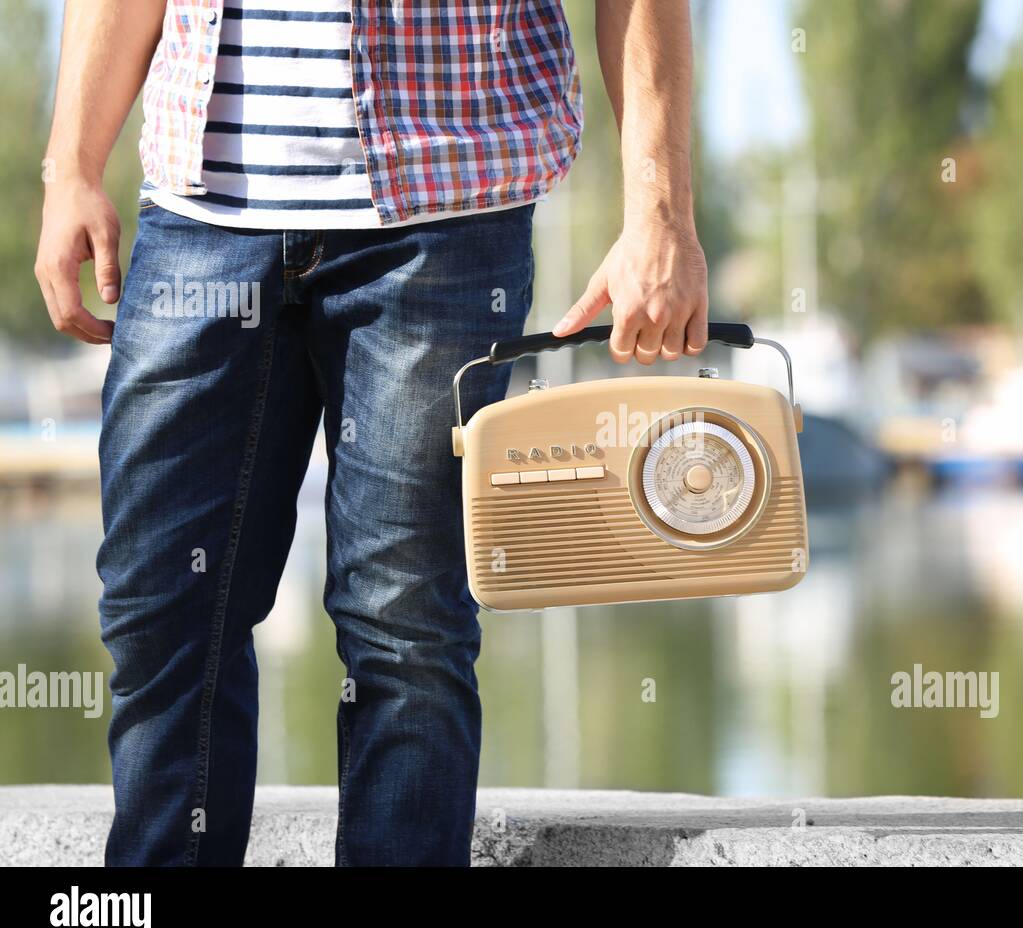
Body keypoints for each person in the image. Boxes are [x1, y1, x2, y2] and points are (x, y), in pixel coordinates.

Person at [35, 0, 708, 867]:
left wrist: (661, 211)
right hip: (199, 205)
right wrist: (73, 165)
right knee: (159, 609)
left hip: (441, 206)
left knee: (407, 631)